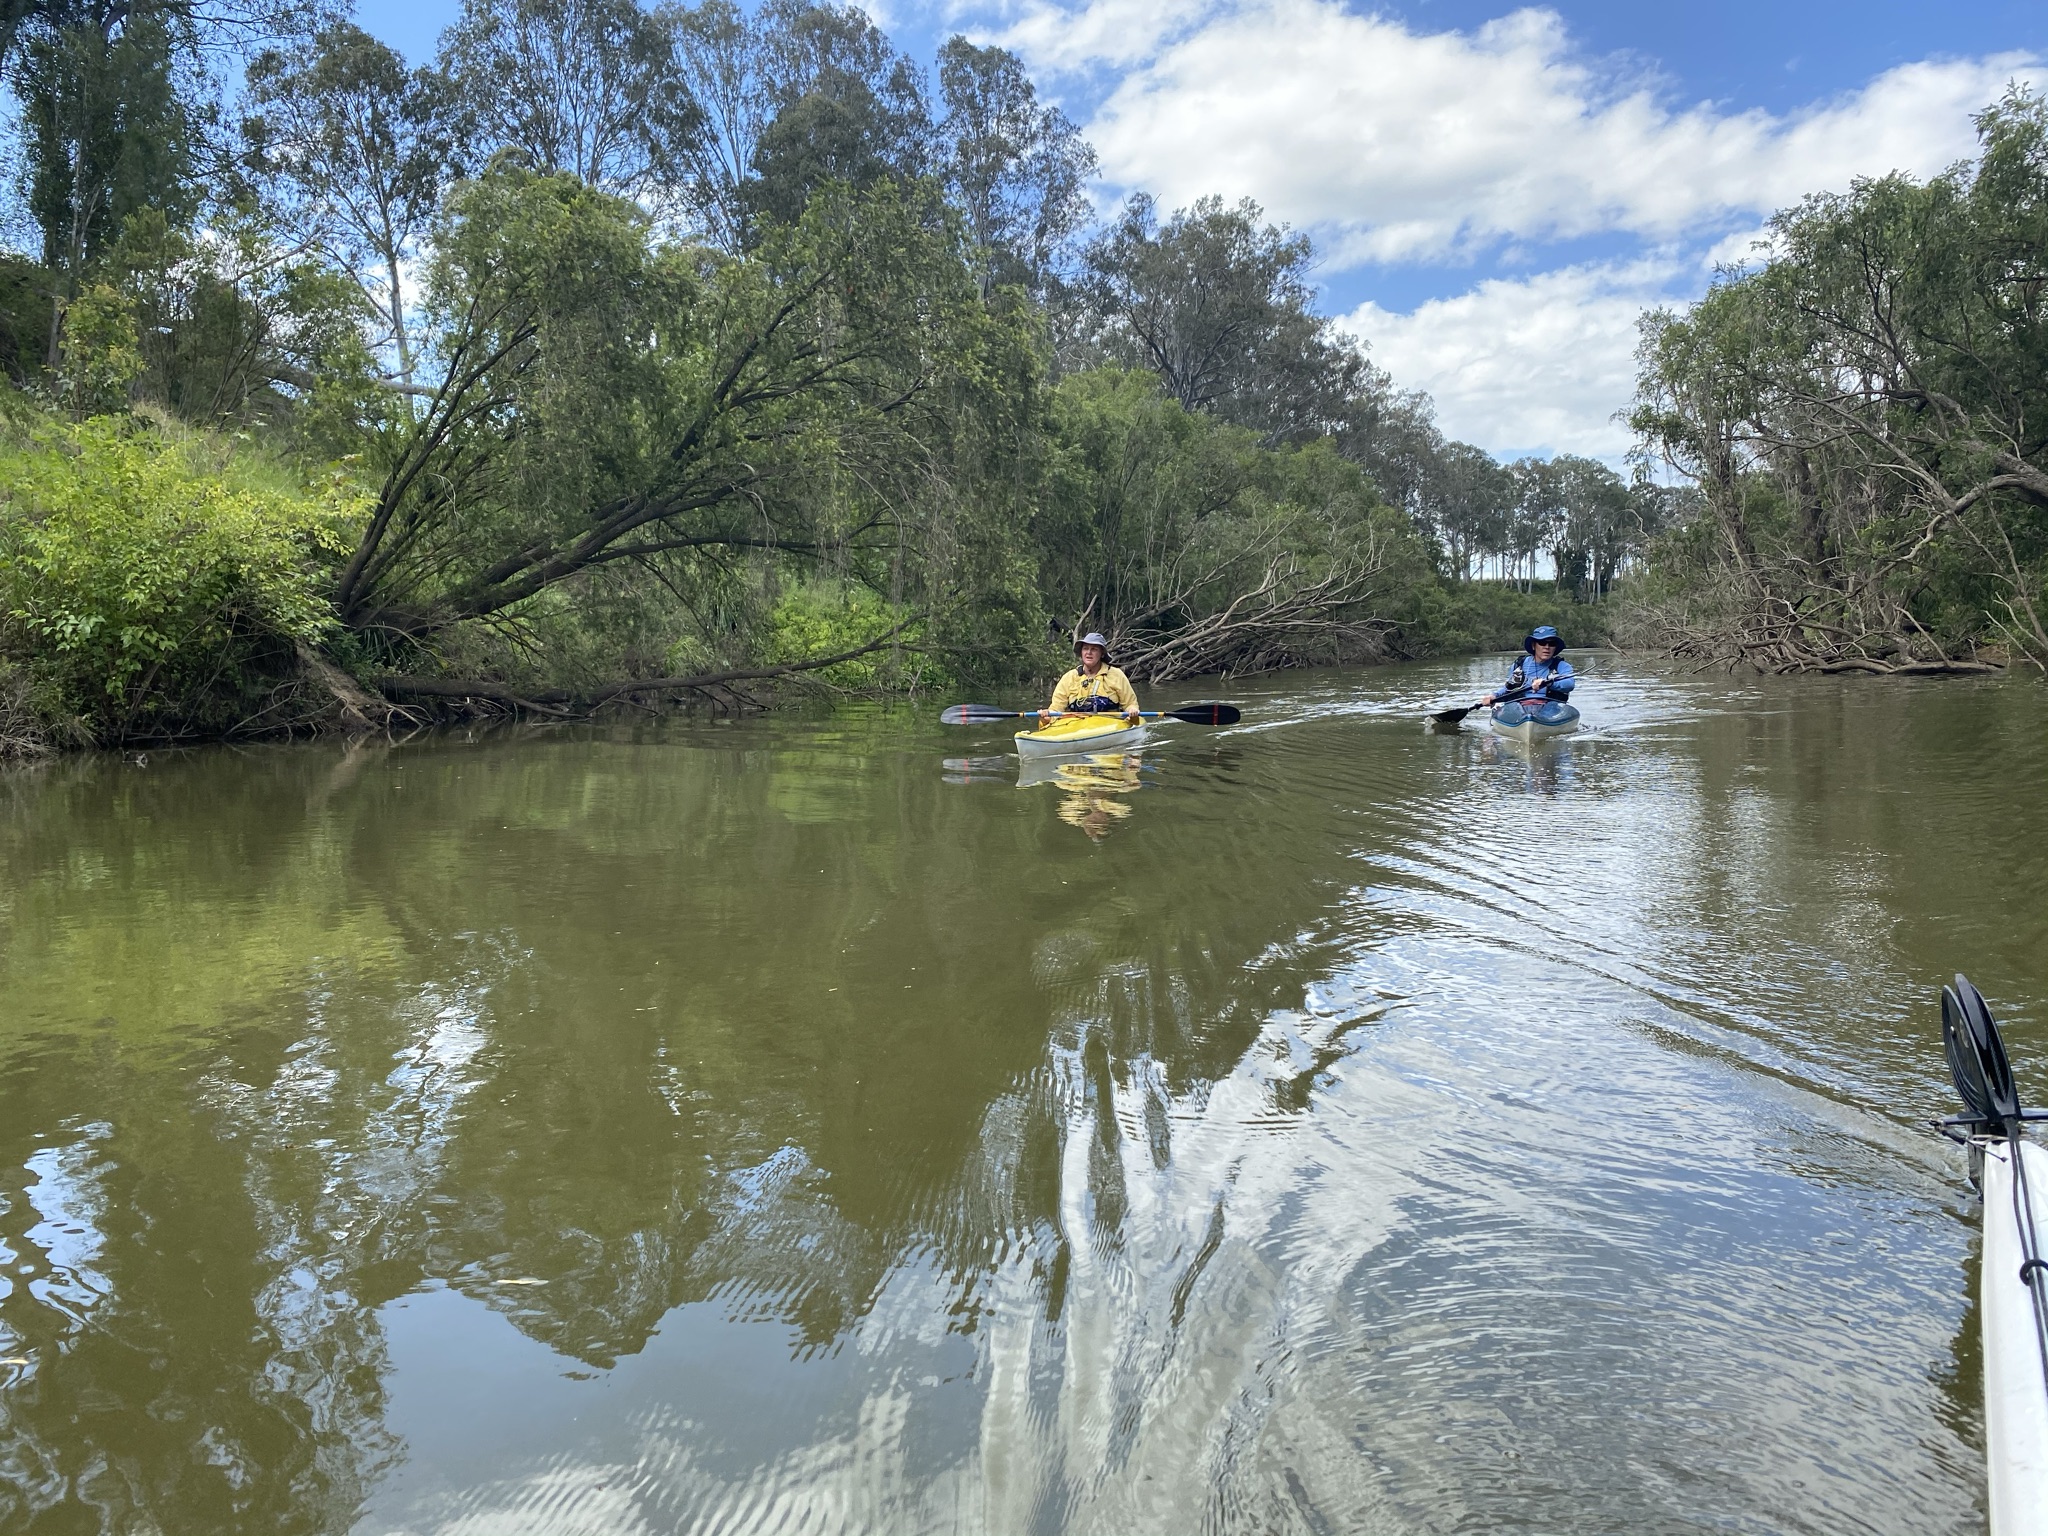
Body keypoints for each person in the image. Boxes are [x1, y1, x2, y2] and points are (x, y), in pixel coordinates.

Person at [1042, 632, 1141, 724]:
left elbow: (1130, 704)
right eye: (1085, 648)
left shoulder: (1116, 675)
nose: (1089, 652)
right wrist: (1047, 716)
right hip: (1075, 726)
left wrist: (1132, 710)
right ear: (1081, 652)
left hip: (1110, 724)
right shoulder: (1069, 677)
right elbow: (1056, 709)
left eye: (1094, 649)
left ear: (1102, 654)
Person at [1483, 625, 1576, 708]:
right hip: (1520, 707)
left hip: (1550, 707)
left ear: (1555, 647)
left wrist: (1548, 683)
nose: (1547, 647)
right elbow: (1508, 688)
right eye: (1542, 642)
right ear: (1533, 645)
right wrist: (1494, 696)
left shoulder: (1562, 666)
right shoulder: (1519, 665)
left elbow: (1569, 684)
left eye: (1551, 644)